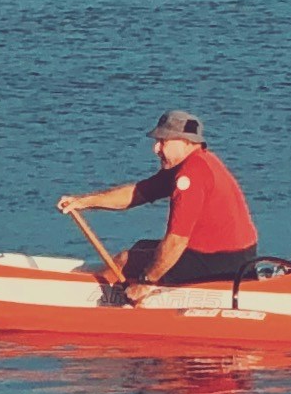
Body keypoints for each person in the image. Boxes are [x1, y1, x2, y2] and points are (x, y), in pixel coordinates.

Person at [61, 110, 262, 297]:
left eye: (162, 141)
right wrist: (84, 202)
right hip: (236, 255)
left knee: (124, 261)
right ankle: (104, 288)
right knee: (141, 247)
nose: (156, 149)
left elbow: (176, 242)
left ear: (185, 141)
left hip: (221, 261)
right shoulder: (196, 162)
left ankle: (85, 299)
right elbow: (137, 193)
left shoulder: (191, 176)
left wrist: (147, 281)